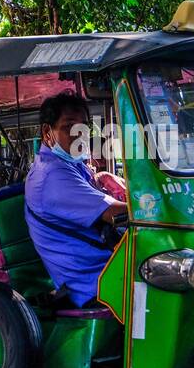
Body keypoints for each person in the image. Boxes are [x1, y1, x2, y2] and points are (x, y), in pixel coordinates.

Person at [25, 93, 128, 306]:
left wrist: (101, 179)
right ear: (47, 132)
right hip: (94, 284)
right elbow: (115, 213)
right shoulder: (52, 175)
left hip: (109, 268)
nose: (79, 135)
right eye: (69, 127)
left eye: (83, 127)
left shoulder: (67, 163)